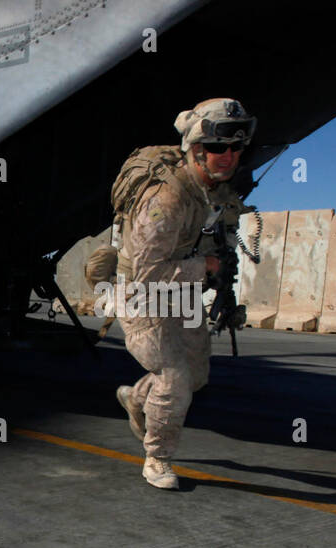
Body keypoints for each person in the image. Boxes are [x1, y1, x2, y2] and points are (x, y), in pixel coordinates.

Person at [112, 98, 253, 490]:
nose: (228, 156)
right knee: (174, 381)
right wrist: (205, 269)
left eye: (235, 148)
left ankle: (137, 399)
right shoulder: (166, 198)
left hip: (181, 291)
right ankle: (156, 458)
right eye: (217, 148)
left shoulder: (216, 191)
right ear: (195, 149)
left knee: (196, 377)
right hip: (142, 293)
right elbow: (146, 274)